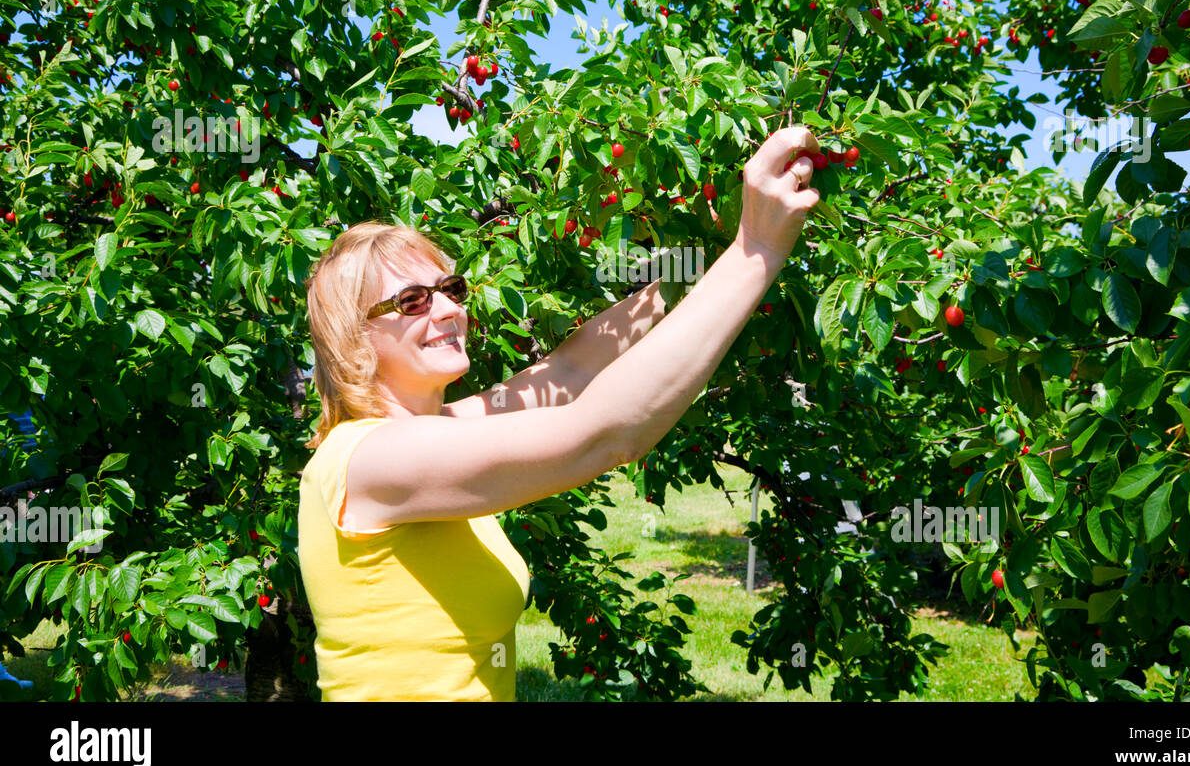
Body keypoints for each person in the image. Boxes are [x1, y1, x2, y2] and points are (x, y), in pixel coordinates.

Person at [297, 125, 821, 700]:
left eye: (450, 289)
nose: (446, 308)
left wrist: (691, 259)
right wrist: (756, 251)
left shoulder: (439, 431)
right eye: (412, 301)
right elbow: (600, 434)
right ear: (356, 337)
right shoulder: (368, 459)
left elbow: (570, 372)